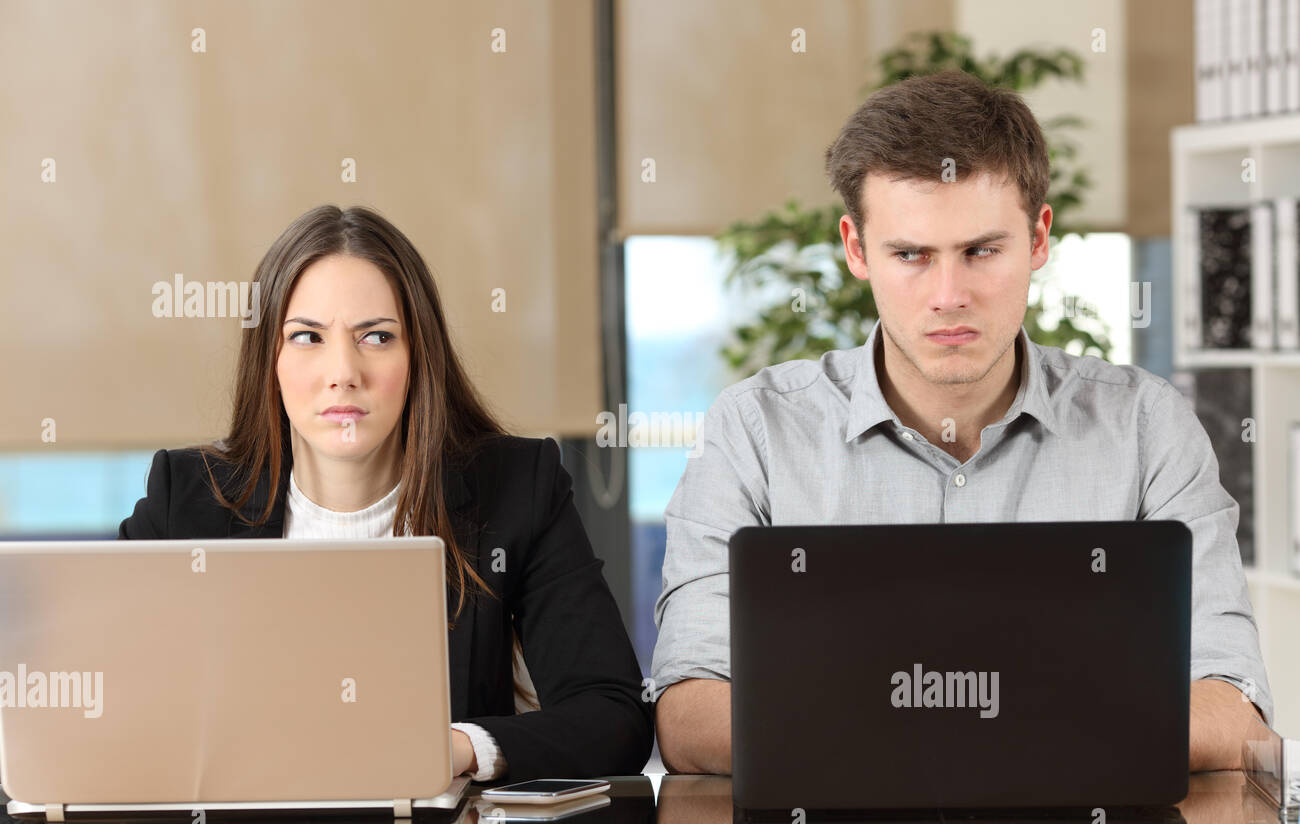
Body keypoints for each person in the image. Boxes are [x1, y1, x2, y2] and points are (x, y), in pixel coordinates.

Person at [651, 70, 1273, 775]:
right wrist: (1040, 730)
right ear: (856, 250)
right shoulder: (754, 431)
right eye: (911, 255)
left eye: (982, 251)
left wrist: (886, 735)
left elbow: (1233, 709)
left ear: (1039, 239)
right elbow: (690, 714)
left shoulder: (1146, 425)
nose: (949, 296)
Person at [120, 204, 652, 784]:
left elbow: (613, 718)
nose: (343, 371)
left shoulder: (516, 486)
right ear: (269, 359)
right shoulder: (186, 497)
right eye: (306, 337)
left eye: (376, 336)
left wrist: (451, 750)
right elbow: (95, 699)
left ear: (419, 355)